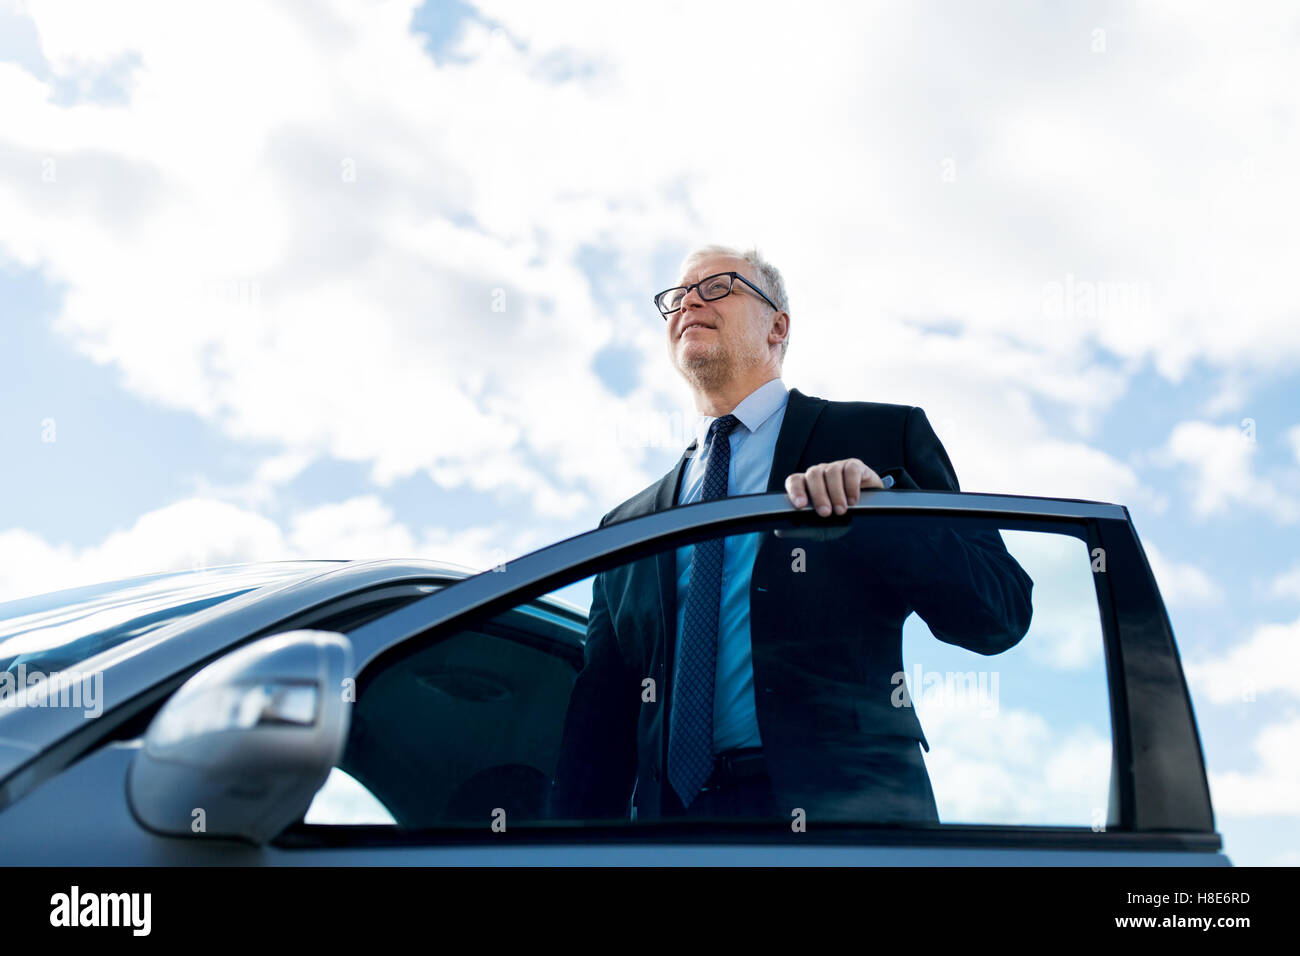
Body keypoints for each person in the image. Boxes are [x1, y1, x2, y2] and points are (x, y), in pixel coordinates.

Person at [551, 244, 1033, 824]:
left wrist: (888, 509)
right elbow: (597, 729)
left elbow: (999, 614)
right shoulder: (627, 527)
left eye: (718, 286)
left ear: (778, 325)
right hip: (675, 837)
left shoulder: (882, 436)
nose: (688, 302)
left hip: (847, 820)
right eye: (676, 296)